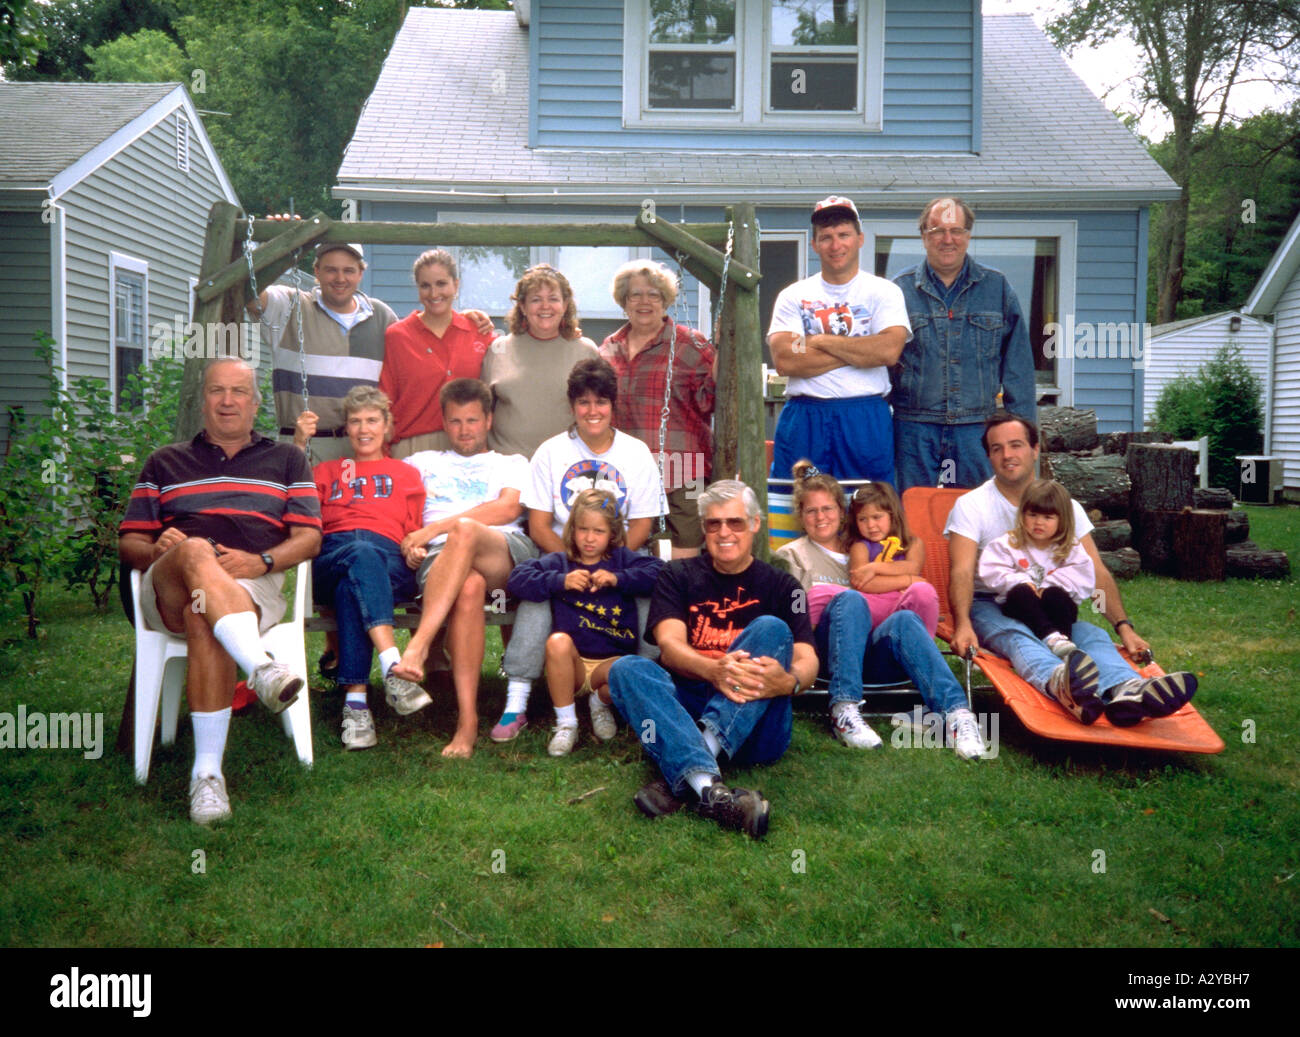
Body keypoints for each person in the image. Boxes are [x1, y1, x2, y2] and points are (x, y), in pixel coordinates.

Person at [118, 357, 322, 823]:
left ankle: (206, 776)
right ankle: (261, 668)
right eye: (216, 391)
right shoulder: (165, 461)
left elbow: (310, 537)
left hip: (252, 583)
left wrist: (262, 560)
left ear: (255, 404)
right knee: (193, 552)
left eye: (238, 392)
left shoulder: (287, 459)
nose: (227, 401)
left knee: (203, 616)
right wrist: (157, 550)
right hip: (169, 583)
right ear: (203, 400)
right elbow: (129, 540)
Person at [946, 413, 1198, 727]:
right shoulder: (972, 506)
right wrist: (963, 623)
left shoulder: (1065, 507)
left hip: (1050, 601)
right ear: (989, 455)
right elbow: (961, 570)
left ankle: (1127, 688)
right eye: (997, 448)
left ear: (1035, 449)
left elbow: (1096, 573)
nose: (1007, 455)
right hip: (990, 602)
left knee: (1090, 635)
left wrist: (1124, 626)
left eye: (1016, 445)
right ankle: (1060, 682)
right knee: (1017, 635)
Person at [606, 480, 819, 839]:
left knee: (770, 627)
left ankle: (689, 766)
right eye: (713, 523)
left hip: (759, 727)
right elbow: (670, 647)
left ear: (754, 523)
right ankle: (711, 791)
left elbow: (808, 658)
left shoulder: (783, 586)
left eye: (735, 522)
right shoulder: (676, 575)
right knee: (627, 669)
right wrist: (713, 670)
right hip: (687, 711)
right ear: (703, 528)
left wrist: (790, 682)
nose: (724, 533)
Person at [491, 356, 665, 743]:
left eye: (600, 402)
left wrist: (612, 565)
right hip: (561, 555)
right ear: (572, 406)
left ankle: (645, 689)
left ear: (612, 405)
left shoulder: (636, 453)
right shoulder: (551, 452)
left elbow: (641, 524)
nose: (592, 411)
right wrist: (573, 566)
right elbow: (538, 524)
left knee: (644, 592)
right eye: (583, 402)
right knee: (541, 593)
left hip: (617, 556)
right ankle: (516, 701)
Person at [775, 462, 986, 758]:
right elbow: (791, 621)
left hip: (882, 655)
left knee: (905, 619)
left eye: (828, 509)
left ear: (841, 511)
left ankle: (957, 715)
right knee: (850, 600)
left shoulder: (869, 547)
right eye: (811, 511)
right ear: (801, 515)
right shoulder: (791, 556)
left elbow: (913, 588)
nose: (820, 517)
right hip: (828, 658)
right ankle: (844, 708)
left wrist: (912, 580)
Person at [388, 378, 537, 758]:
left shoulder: (511, 462)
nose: (464, 430)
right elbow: (399, 516)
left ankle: (418, 647)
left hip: (501, 553)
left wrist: (436, 528)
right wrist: (411, 543)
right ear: (444, 421)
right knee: (468, 588)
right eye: (455, 421)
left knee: (467, 531)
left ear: (488, 420)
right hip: (443, 562)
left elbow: (507, 509)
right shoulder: (421, 464)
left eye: (472, 420)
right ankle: (467, 721)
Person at [891, 197, 1036, 492]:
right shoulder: (898, 291)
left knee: (980, 520)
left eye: (956, 230)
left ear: (968, 235)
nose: (948, 239)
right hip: (913, 431)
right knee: (911, 518)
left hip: (977, 432)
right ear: (923, 236)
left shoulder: (997, 288)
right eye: (937, 231)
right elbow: (881, 368)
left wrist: (1025, 438)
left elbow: (1018, 369)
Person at [310, 386, 427, 750]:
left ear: (387, 426)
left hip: (389, 561)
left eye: (372, 420)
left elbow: (415, 528)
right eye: (355, 421)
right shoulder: (327, 471)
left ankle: (356, 706)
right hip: (333, 555)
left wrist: (416, 548)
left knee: (354, 584)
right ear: (346, 428)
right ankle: (393, 667)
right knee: (357, 558)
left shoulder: (405, 473)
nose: (364, 428)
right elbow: (305, 523)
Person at [507, 489, 664, 756]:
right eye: (582, 529)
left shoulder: (624, 560)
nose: (589, 538)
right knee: (557, 642)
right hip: (573, 665)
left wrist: (619, 579)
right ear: (572, 529)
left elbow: (660, 572)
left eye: (598, 531)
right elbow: (517, 579)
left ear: (613, 533)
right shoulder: (559, 563)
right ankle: (566, 723)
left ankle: (599, 703)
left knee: (637, 669)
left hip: (612, 665)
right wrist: (560, 581)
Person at [767, 196, 911, 483]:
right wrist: (861, 349)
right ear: (814, 244)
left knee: (869, 507)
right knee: (799, 499)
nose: (836, 245)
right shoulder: (794, 296)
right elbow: (786, 358)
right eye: (826, 237)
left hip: (864, 419)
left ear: (860, 238)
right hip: (805, 418)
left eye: (844, 235)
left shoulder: (883, 292)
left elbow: (887, 351)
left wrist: (818, 340)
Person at [600, 259, 715, 558]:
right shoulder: (609, 347)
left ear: (665, 300)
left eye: (653, 294)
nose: (644, 302)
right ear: (624, 301)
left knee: (683, 562)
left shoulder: (691, 344)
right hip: (626, 471)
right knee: (626, 557)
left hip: (684, 469)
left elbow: (710, 402)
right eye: (635, 294)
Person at [247, 240, 397, 463]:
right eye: (331, 270)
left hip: (362, 445)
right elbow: (249, 292)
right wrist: (282, 240)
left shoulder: (381, 316)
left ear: (361, 273)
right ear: (316, 271)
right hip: (305, 445)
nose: (340, 279)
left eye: (348, 270)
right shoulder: (290, 306)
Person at [381, 249, 496, 459]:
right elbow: (384, 401)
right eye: (425, 286)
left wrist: (568, 330)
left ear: (456, 285)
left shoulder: (479, 333)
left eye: (441, 283)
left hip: (468, 446)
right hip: (414, 446)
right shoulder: (397, 336)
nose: (434, 293)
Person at [482, 263, 598, 459]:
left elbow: (597, 414)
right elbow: (481, 412)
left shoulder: (585, 351)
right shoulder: (497, 350)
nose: (545, 306)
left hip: (567, 466)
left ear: (565, 304)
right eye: (536, 300)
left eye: (553, 299)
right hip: (507, 466)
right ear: (522, 306)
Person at [978, 478, 1096, 662]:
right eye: (1032, 515)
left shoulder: (1069, 546)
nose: (1038, 523)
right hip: (1023, 607)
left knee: (1055, 595)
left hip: (1055, 606)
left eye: (1047, 517)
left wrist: (1048, 586)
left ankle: (1065, 645)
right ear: (1022, 514)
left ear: (1061, 519)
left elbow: (1082, 575)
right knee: (1020, 592)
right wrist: (1023, 581)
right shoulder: (1009, 543)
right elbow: (992, 570)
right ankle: (1050, 636)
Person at [845, 481, 939, 635]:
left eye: (877, 517)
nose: (870, 525)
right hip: (875, 609)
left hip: (907, 605)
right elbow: (862, 584)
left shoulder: (912, 543)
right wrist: (908, 580)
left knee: (923, 592)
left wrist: (874, 568)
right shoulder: (860, 546)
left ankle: (924, 642)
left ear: (892, 514)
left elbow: (913, 567)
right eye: (863, 519)